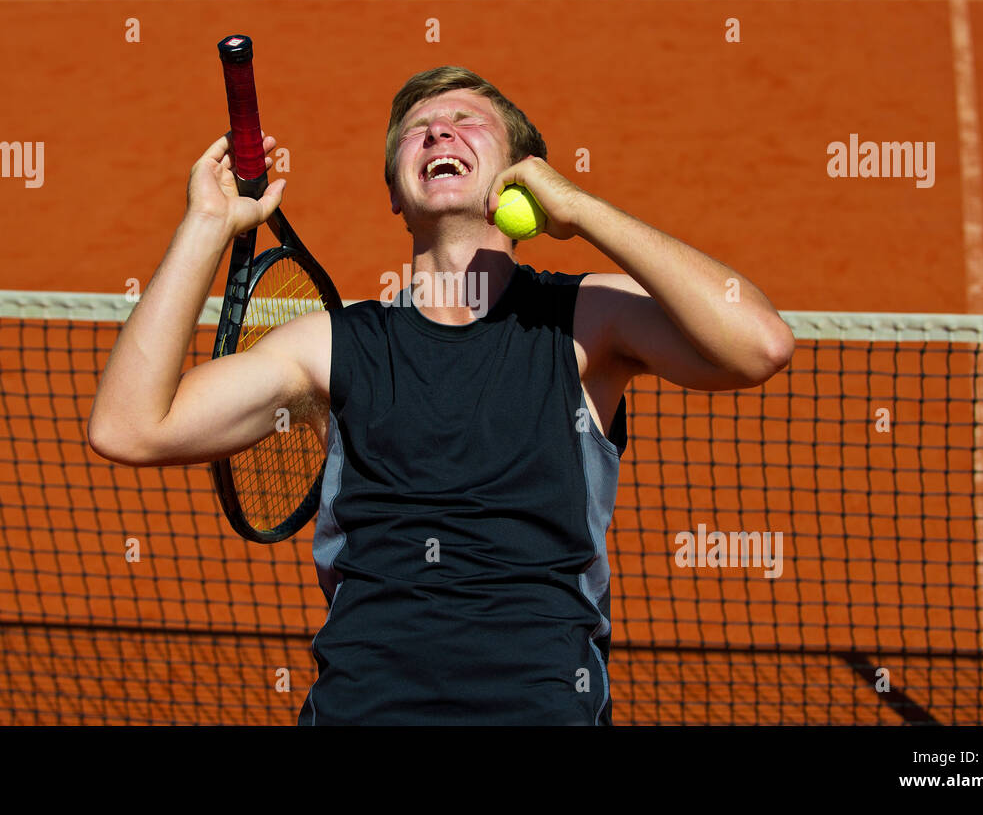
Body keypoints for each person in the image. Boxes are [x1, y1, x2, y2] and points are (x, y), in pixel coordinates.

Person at [88, 66, 794, 725]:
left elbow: (758, 345)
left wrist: (581, 209)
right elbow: (129, 428)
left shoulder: (584, 322)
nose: (436, 131)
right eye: (416, 130)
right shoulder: (332, 347)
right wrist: (204, 227)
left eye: (465, 120)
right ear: (396, 194)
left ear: (524, 175)